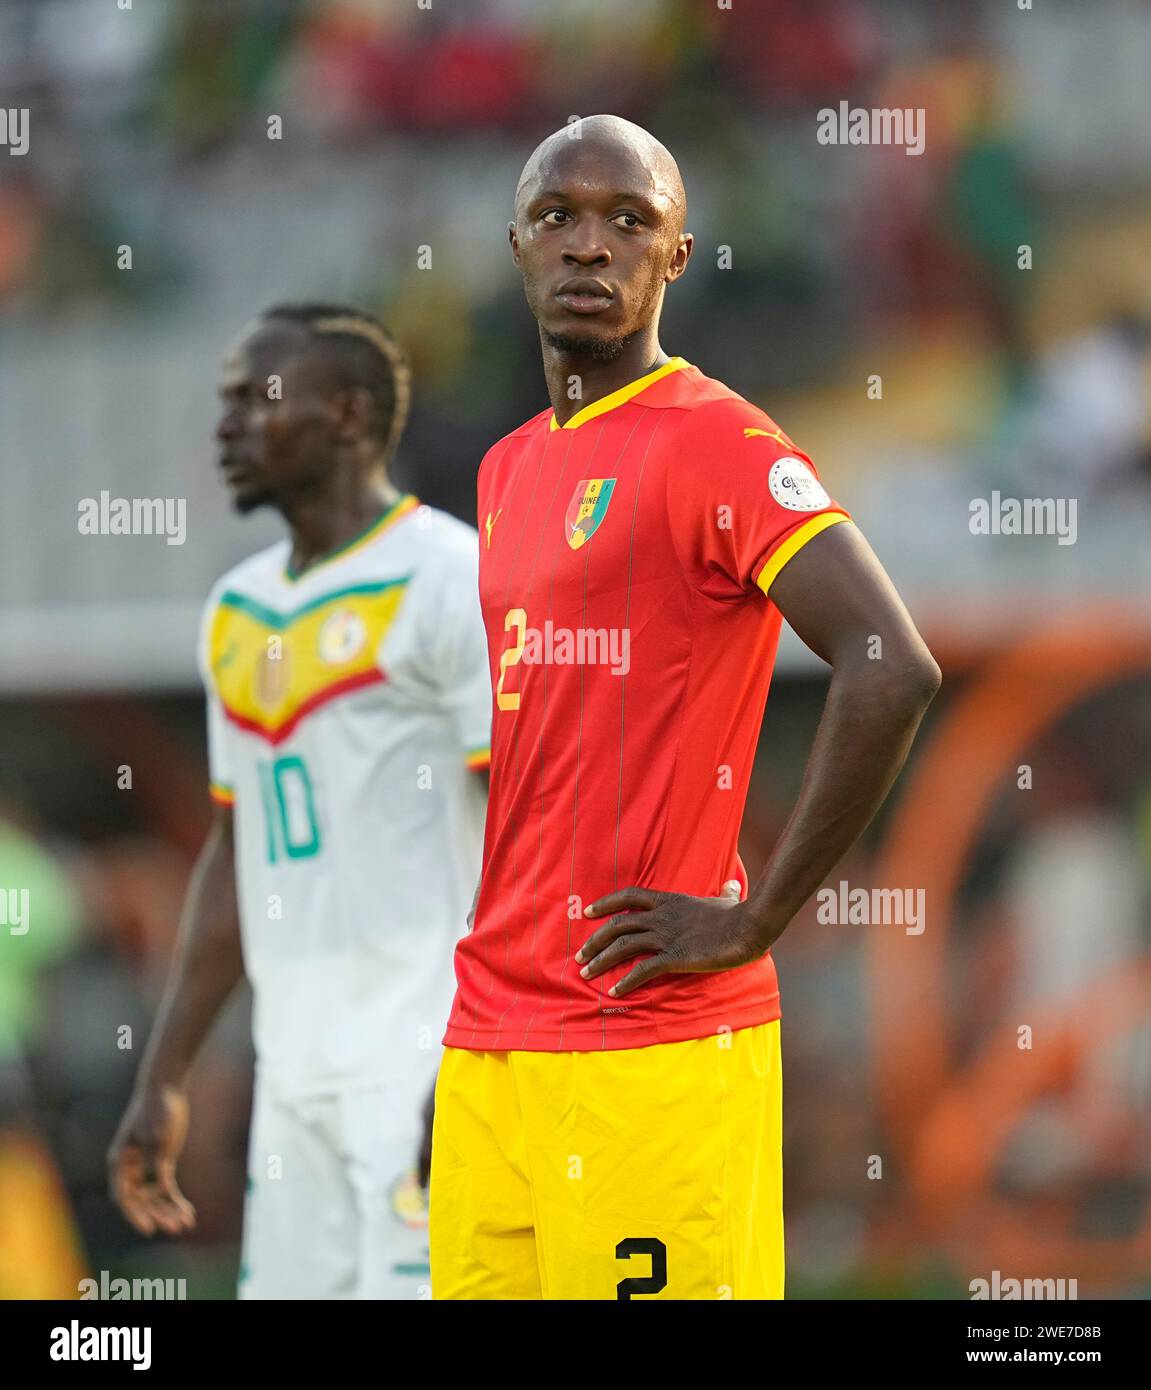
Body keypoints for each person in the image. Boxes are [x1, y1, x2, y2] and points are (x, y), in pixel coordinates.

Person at [429, 116, 941, 1300]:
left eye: (629, 221)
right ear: (516, 246)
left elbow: (889, 660)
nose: (589, 246)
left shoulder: (713, 441)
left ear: (676, 257)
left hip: (647, 1043)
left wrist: (755, 915)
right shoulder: (506, 469)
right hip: (493, 1036)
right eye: (558, 217)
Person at [108, 304, 490, 1299]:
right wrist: (165, 1075)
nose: (225, 426)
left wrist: (488, 1059)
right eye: (223, 402)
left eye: (255, 399)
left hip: (426, 1057)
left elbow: (527, 828)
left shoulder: (451, 578)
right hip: (294, 1074)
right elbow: (239, 853)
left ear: (350, 415)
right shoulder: (235, 609)